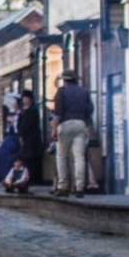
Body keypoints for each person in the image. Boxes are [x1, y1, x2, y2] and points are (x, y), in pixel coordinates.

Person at [52, 70, 93, 198]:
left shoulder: (62, 91)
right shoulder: (84, 91)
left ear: (65, 80)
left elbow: (57, 112)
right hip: (81, 124)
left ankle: (63, 186)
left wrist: (54, 129)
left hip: (65, 124)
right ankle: (79, 187)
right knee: (79, 157)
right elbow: (90, 109)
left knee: (62, 156)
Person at [16, 90, 45, 184]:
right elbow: (20, 124)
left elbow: (28, 125)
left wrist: (22, 132)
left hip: (32, 138)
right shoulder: (23, 111)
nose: (25, 100)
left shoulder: (33, 110)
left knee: (32, 158)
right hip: (25, 137)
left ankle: (34, 178)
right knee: (26, 158)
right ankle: (26, 177)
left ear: (30, 99)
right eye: (24, 98)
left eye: (26, 98)